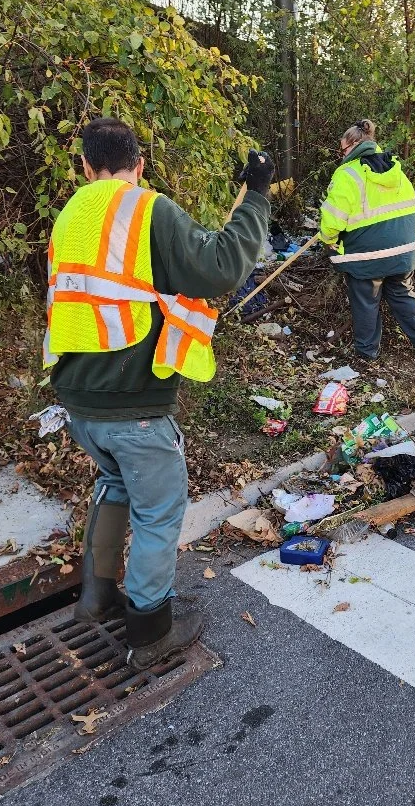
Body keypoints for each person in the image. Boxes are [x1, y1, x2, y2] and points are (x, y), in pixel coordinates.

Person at [43, 118, 272, 669]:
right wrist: (256, 196)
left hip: (78, 403)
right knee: (160, 510)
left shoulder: (70, 216)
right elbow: (220, 268)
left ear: (84, 166)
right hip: (133, 408)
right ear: (138, 165)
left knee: (113, 484)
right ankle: (149, 633)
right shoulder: (145, 209)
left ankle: (96, 597)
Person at [318, 119, 415, 362]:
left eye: (342, 149)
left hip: (366, 255)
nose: (341, 155)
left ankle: (366, 353)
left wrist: (329, 240)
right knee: (402, 291)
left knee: (366, 300)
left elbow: (332, 220)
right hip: (403, 252)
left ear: (353, 145)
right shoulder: (397, 170)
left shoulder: (348, 174)